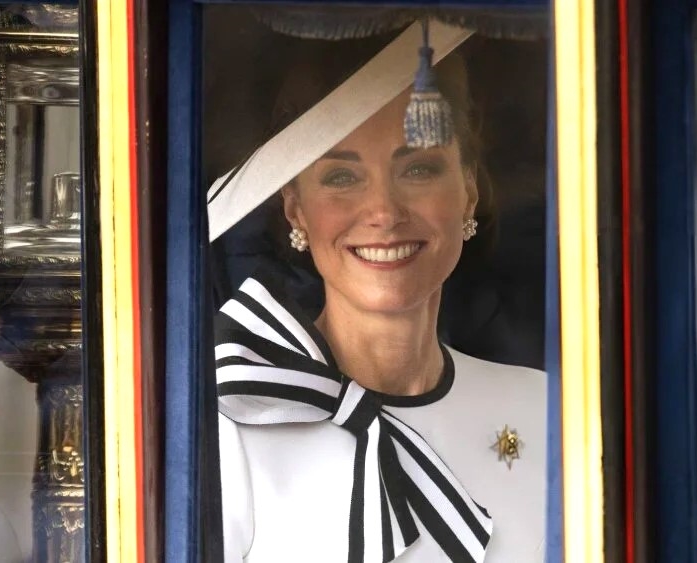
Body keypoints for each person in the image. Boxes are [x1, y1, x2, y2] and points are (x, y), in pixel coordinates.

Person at [210, 20, 547, 563]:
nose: (385, 213)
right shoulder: (232, 424)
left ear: (468, 190)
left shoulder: (543, 411)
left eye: (417, 168)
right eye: (342, 178)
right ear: (295, 207)